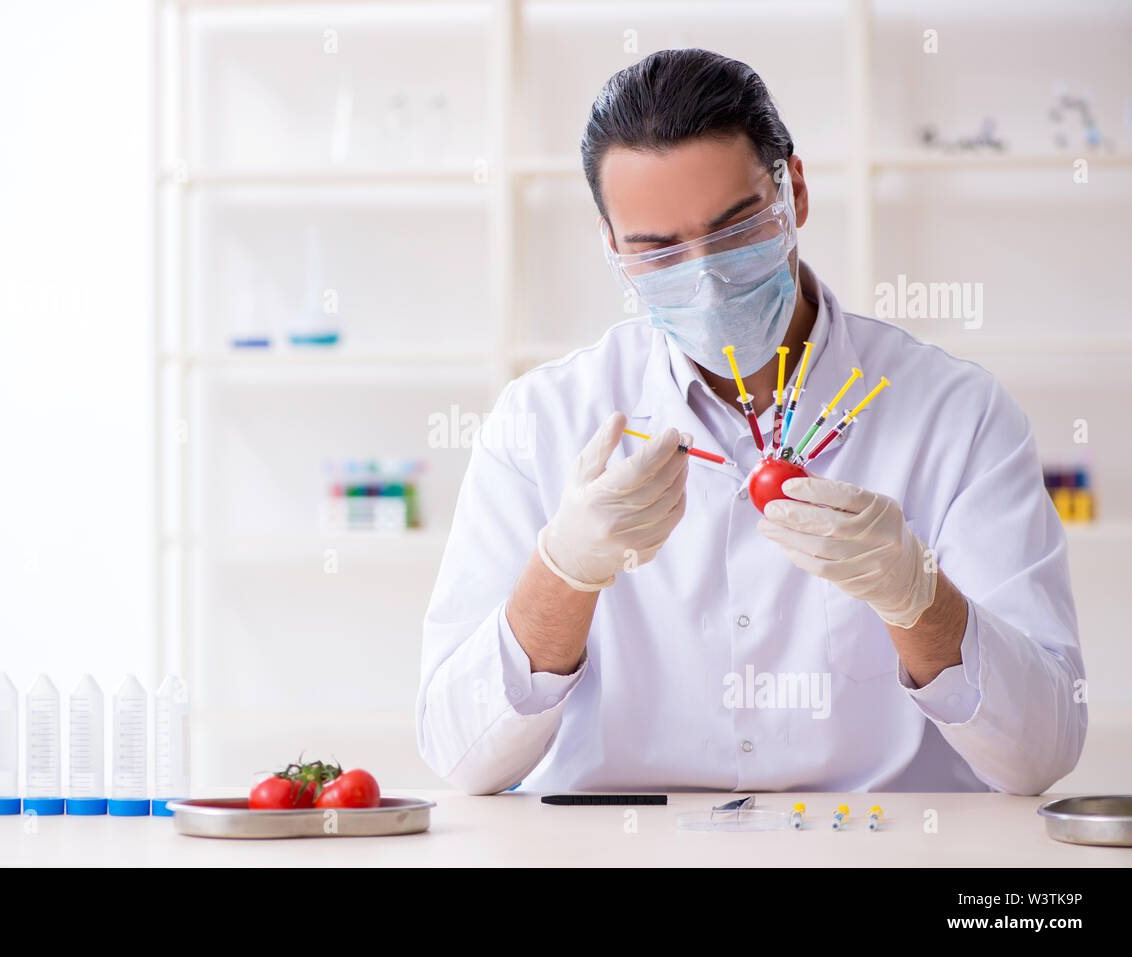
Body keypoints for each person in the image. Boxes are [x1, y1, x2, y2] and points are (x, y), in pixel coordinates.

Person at [416, 49, 1085, 796]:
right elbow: (460, 758)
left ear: (793, 192)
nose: (703, 274)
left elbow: (1043, 753)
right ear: (611, 248)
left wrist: (917, 595)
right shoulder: (542, 419)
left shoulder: (957, 416)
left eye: (735, 229)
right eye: (657, 250)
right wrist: (565, 570)